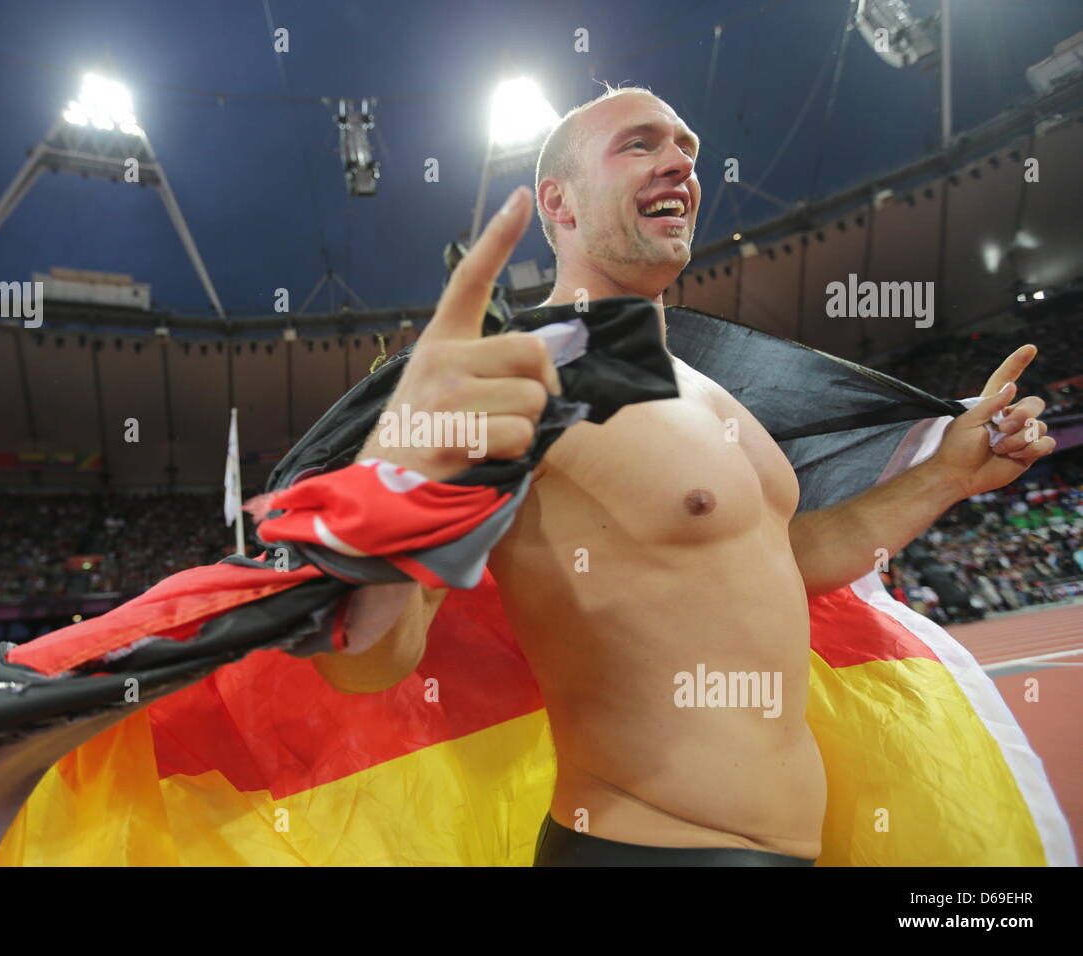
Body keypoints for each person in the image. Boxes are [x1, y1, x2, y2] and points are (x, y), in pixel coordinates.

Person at [311, 86, 1057, 866]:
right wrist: (389, 496)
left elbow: (783, 564)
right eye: (639, 145)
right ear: (556, 202)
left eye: (687, 149)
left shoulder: (709, 394)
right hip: (646, 849)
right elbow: (365, 660)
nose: (680, 164)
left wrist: (944, 476)